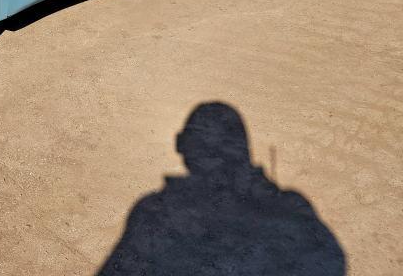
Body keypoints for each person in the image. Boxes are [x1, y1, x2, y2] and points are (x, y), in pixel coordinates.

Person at [98, 102, 345, 275]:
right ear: (242, 151)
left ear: (185, 150)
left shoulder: (156, 213)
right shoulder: (291, 208)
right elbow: (333, 262)